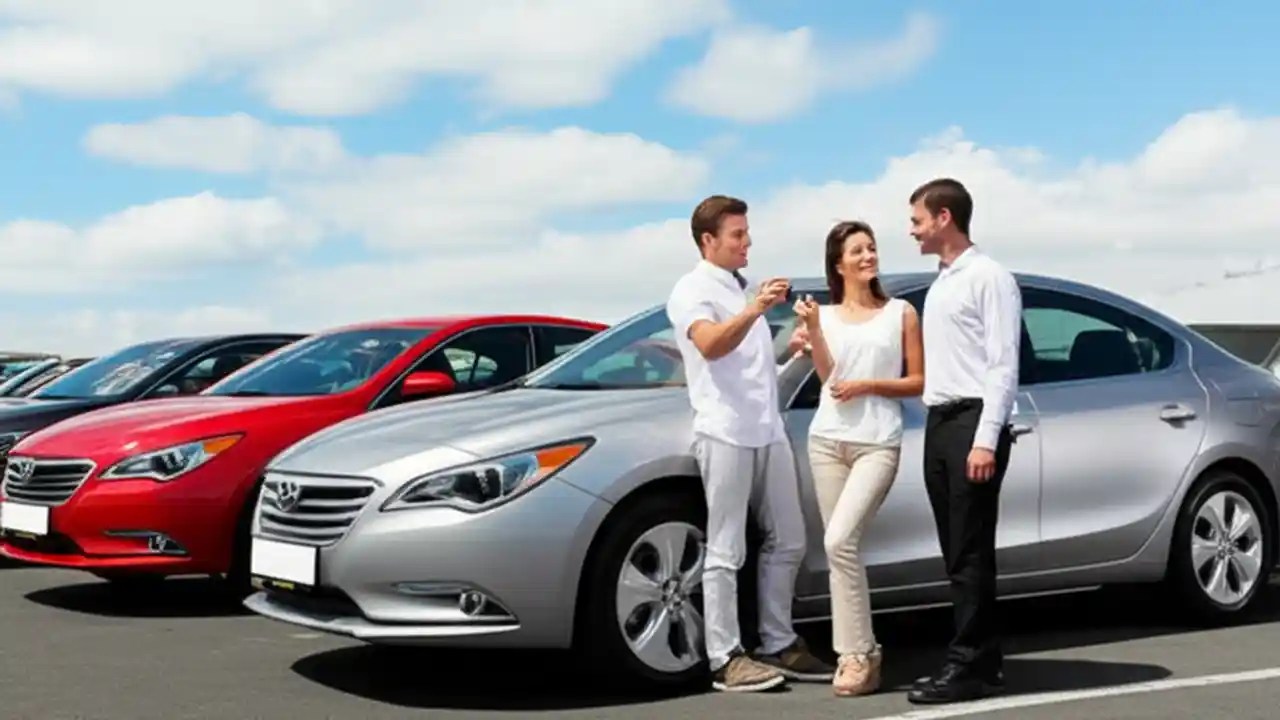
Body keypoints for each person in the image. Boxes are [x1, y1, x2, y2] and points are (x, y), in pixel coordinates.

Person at [666, 194, 835, 693]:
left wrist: (796, 354)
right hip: (724, 432)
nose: (748, 242)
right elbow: (713, 345)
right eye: (737, 235)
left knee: (790, 538)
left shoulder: (740, 292)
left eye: (746, 232)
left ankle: (777, 642)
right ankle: (724, 658)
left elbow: (758, 378)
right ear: (708, 241)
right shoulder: (691, 290)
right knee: (726, 547)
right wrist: (755, 307)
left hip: (767, 430)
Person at [791, 220, 924, 697]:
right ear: (838, 264)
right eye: (857, 251)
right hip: (827, 440)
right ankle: (858, 656)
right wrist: (811, 331)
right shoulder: (821, 315)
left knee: (839, 540)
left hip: (877, 442)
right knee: (840, 552)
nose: (868, 256)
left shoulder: (901, 313)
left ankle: (858, 653)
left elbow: (916, 383)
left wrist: (868, 385)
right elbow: (828, 377)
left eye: (871, 248)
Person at [905, 178, 1021, 705]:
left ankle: (966, 665)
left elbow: (1002, 365)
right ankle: (986, 660)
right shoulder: (943, 281)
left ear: (944, 218)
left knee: (970, 551)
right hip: (941, 423)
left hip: (974, 424)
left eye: (918, 220)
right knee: (957, 550)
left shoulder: (989, 278)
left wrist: (985, 439)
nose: (913, 230)